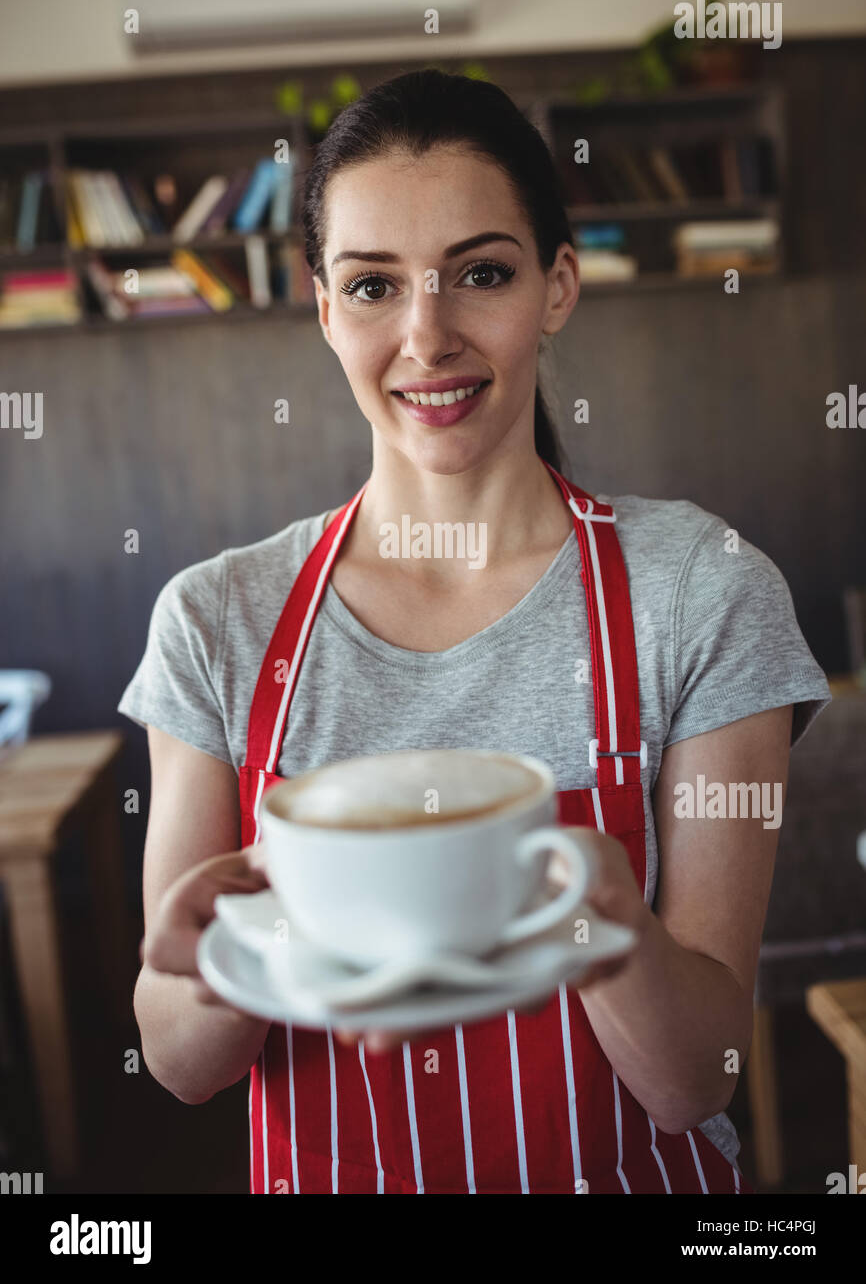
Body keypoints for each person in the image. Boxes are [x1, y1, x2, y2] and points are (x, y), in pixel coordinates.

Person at [119, 69, 831, 1194]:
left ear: (556, 285)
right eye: (371, 286)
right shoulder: (217, 620)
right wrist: (207, 966)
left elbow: (698, 1079)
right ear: (320, 307)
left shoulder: (700, 587)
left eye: (480, 273)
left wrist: (607, 933)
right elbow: (180, 1063)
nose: (427, 333)